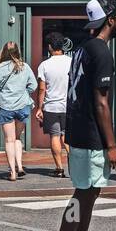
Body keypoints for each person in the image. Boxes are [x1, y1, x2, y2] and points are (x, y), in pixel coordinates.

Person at [41, 0, 116, 231]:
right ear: (109, 20)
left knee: (89, 194)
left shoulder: (82, 49)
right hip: (90, 136)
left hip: (78, 131)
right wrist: (111, 145)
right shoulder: (101, 52)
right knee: (82, 195)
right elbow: (101, 102)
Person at [0, 43, 37, 182]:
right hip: (22, 106)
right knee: (18, 138)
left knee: (9, 140)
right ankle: (20, 166)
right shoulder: (24, 67)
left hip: (6, 106)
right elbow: (34, 85)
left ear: (3, 52)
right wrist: (24, 93)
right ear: (17, 52)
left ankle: (12, 172)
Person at [36, 32, 71, 178]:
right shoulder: (71, 62)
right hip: (68, 106)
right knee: (67, 137)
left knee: (55, 136)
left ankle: (59, 168)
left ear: (49, 47)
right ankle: (74, 166)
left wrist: (40, 108)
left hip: (51, 107)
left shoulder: (44, 65)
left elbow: (42, 89)